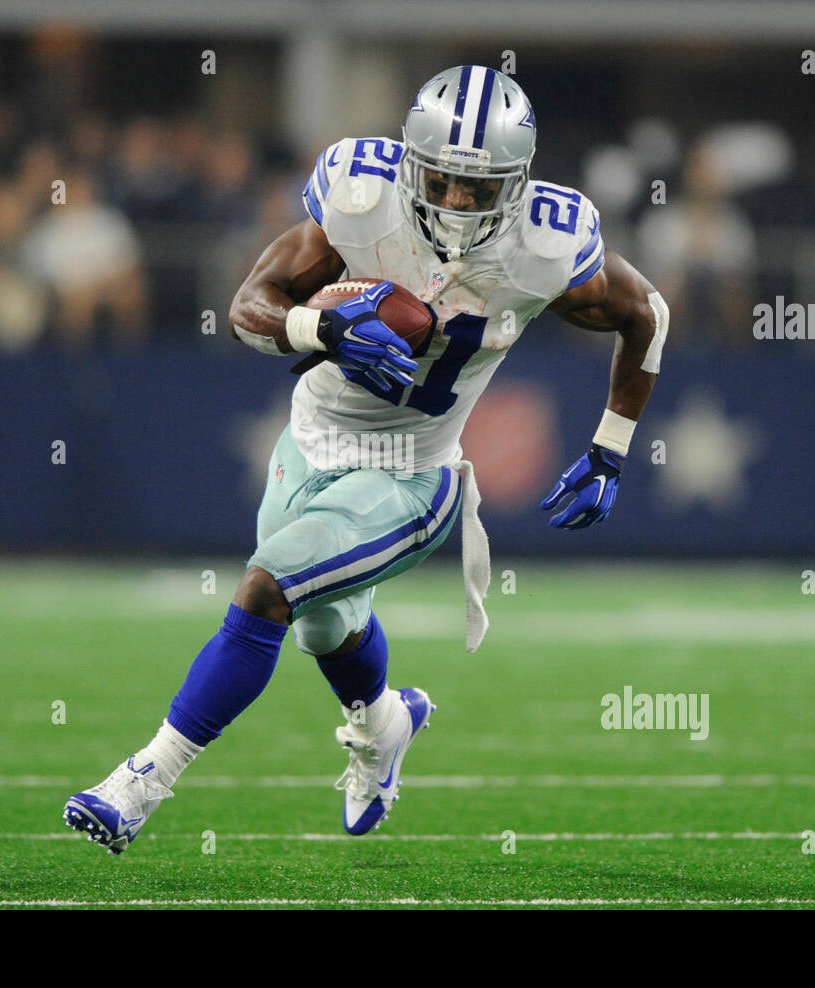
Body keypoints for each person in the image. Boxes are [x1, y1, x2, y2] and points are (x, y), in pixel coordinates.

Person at [65, 66, 669, 850]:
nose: (455, 203)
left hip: (411, 472)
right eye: (443, 180)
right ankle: (386, 722)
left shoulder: (546, 245)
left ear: (517, 186)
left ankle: (141, 780)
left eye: (478, 189)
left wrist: (610, 450)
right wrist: (327, 331)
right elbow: (249, 306)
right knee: (325, 629)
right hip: (309, 440)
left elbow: (645, 312)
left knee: (266, 590)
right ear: (414, 164)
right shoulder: (363, 195)